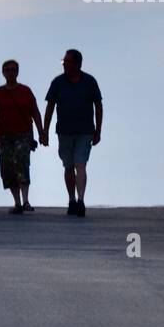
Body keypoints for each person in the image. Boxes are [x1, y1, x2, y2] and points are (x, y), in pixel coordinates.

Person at [42, 48, 103, 217]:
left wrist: (98, 130)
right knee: (68, 166)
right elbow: (50, 107)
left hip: (85, 131)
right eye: (64, 62)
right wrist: (44, 131)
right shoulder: (58, 82)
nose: (64, 65)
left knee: (80, 164)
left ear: (77, 64)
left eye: (67, 62)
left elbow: (98, 106)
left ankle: (81, 200)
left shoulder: (90, 82)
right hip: (64, 131)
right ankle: (71, 200)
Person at [0, 59, 45, 215]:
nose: (10, 72)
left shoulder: (25, 91)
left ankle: (26, 200)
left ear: (18, 72)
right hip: (4, 136)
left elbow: (35, 112)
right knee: (8, 168)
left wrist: (41, 132)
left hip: (23, 134)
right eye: (7, 70)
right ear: (3, 72)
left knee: (21, 163)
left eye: (13, 69)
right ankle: (17, 203)